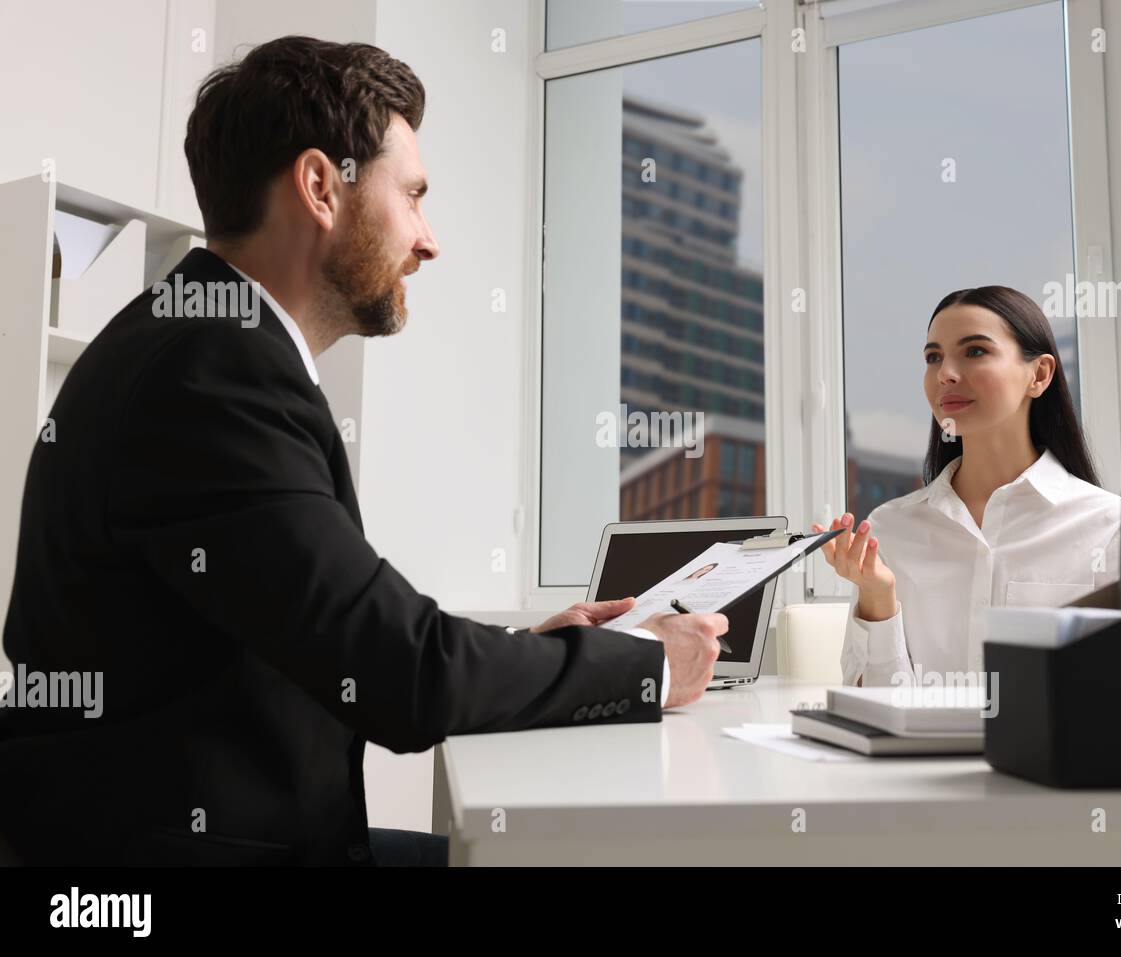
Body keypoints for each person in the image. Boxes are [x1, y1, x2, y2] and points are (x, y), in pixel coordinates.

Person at [0, 36, 727, 866]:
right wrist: (644, 666)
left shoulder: (204, 342)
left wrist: (541, 646)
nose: (429, 240)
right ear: (321, 186)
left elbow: (357, 628)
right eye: (413, 196)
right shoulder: (212, 371)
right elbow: (398, 676)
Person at [814, 286, 1121, 688]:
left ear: (1039, 375)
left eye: (974, 351)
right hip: (917, 754)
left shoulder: (1114, 528)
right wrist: (877, 598)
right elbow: (876, 711)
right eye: (933, 357)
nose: (945, 374)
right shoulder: (890, 530)